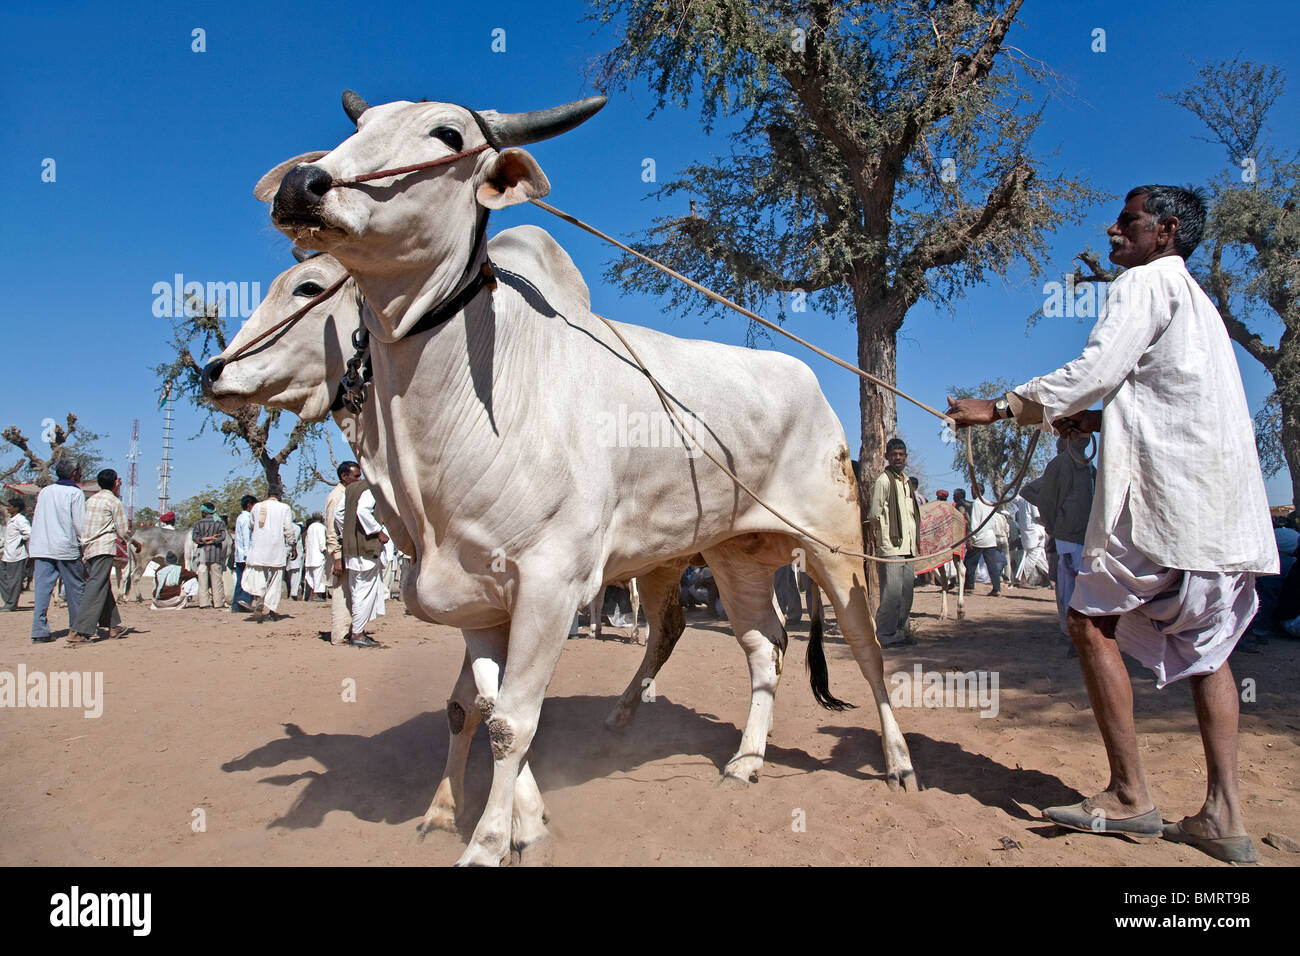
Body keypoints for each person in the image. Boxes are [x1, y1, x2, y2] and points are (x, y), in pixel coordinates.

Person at [946, 185, 1276, 863]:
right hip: (1220, 516)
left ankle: (1129, 795)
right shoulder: (1198, 304)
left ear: (1166, 230)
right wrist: (1095, 420)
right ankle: (1224, 816)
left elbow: (1096, 369)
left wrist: (999, 408)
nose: (1113, 230)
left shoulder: (1145, 283)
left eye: (1128, 220)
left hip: (1167, 508)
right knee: (1211, 654)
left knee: (1087, 622)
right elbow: (1169, 401)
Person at [1022, 436, 1095, 637]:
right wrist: (1056, 518)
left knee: (1075, 585)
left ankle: (1076, 632)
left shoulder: (1089, 468)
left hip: (1083, 538)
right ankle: (1071, 631)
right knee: (1068, 585)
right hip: (1065, 538)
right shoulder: (1061, 465)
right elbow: (1030, 492)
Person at [865, 438, 919, 647]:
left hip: (908, 547)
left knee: (907, 596)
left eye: (901, 454)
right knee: (891, 595)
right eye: (894, 454)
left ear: (906, 457)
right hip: (891, 547)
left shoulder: (906, 482)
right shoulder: (884, 481)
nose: (898, 458)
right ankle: (884, 635)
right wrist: (885, 533)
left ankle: (899, 632)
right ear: (887, 456)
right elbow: (874, 514)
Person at [69, 468, 132, 644]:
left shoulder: (90, 500)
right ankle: (78, 631)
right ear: (116, 483)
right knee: (96, 587)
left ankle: (114, 625)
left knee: (101, 585)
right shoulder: (114, 502)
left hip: (88, 549)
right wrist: (133, 542)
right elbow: (123, 531)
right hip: (103, 548)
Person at [29, 459, 87, 643]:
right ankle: (77, 629)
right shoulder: (75, 493)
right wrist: (85, 545)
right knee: (75, 589)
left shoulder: (45, 491)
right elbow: (80, 524)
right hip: (65, 548)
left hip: (41, 547)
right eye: (79, 470)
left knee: (42, 590)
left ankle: (39, 631)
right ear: (74, 473)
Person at [337, 474, 388, 647]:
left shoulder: (350, 488)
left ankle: (358, 630)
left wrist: (348, 533)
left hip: (351, 548)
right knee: (363, 593)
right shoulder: (373, 487)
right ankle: (357, 634)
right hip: (367, 548)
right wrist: (378, 531)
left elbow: (339, 514)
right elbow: (362, 510)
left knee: (357, 590)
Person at [241, 486, 296, 622]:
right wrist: (293, 545)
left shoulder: (257, 507)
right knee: (275, 582)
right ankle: (271, 611)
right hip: (276, 549)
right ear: (280, 495)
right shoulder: (284, 508)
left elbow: (251, 525)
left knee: (260, 579)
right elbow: (288, 529)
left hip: (259, 549)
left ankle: (259, 602)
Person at [325, 462, 363, 645]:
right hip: (340, 553)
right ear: (344, 476)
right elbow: (331, 531)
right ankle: (339, 634)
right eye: (356, 476)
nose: (359, 479)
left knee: (351, 593)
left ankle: (351, 630)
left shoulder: (349, 495)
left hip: (350, 552)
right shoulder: (336, 497)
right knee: (341, 593)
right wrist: (337, 558)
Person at [963, 491, 1006, 595]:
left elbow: (975, 522)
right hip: (990, 537)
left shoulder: (977, 503)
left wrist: (972, 538)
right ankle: (997, 588)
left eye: (972, 490)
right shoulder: (989, 503)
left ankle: (969, 587)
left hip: (979, 537)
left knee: (969, 563)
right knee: (992, 565)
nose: (971, 493)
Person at [190, 503, 227, 609]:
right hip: (216, 553)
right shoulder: (219, 523)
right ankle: (218, 603)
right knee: (217, 579)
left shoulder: (198, 523)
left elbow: (195, 538)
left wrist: (204, 541)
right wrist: (212, 540)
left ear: (204, 512)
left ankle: (204, 603)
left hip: (202, 555)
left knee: (202, 580)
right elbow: (223, 537)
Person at [2, 498, 32, 611]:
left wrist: (21, 540)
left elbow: (29, 533)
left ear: (16, 508)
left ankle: (11, 604)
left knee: (14, 580)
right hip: (6, 554)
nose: (8, 508)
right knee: (4, 578)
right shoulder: (11, 520)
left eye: (10, 506)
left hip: (16, 555)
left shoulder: (21, 520)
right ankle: (8, 601)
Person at [229, 494, 257, 612]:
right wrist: (248, 554)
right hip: (246, 555)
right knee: (248, 580)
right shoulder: (246, 519)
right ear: (249, 505)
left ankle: (236, 605)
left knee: (240, 579)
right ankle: (244, 602)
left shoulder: (240, 518)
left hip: (240, 555)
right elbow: (246, 538)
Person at [302, 513, 328, 601]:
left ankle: (311, 595)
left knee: (311, 577)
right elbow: (322, 541)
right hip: (318, 556)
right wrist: (324, 550)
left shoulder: (310, 527)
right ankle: (315, 595)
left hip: (310, 556)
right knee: (318, 576)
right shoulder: (321, 527)